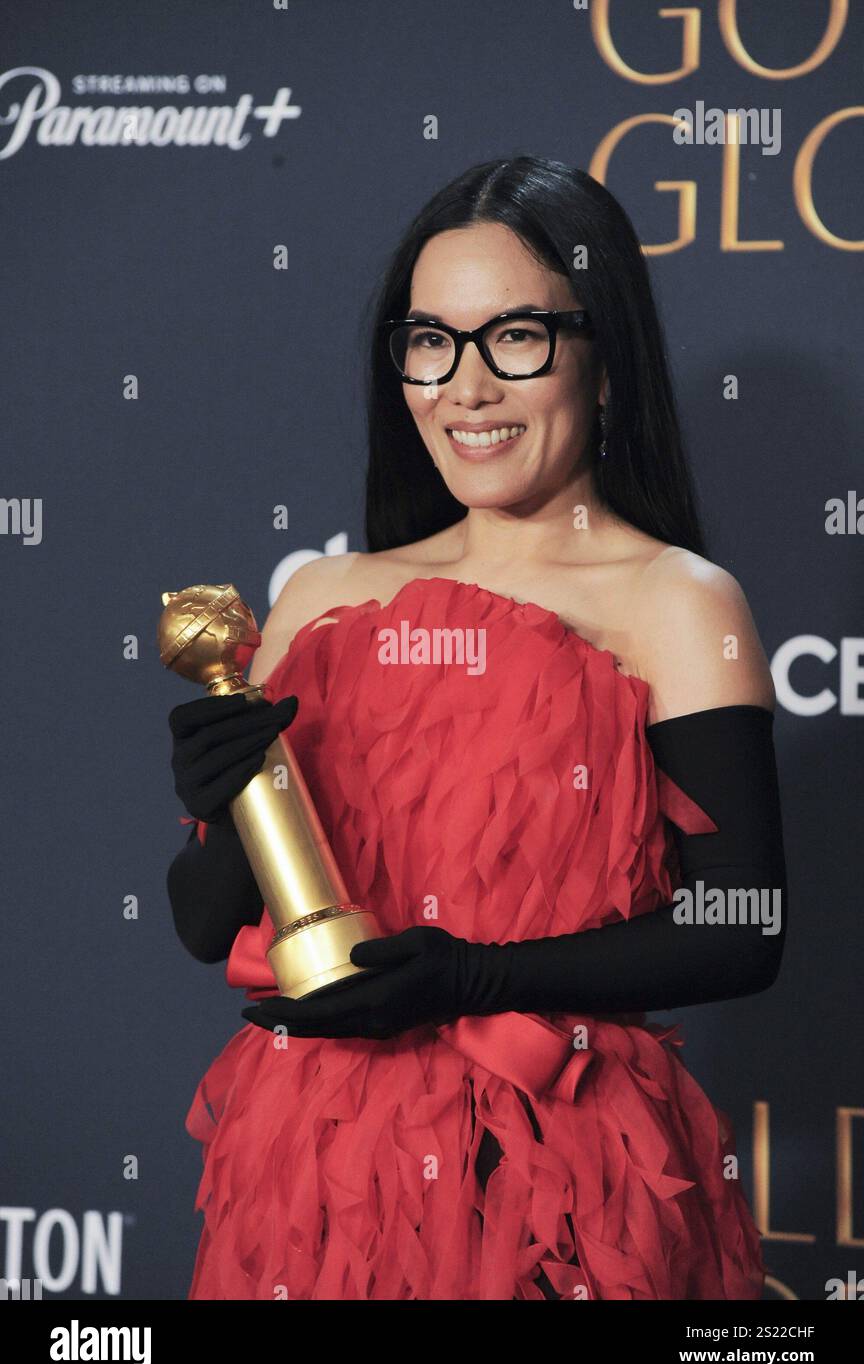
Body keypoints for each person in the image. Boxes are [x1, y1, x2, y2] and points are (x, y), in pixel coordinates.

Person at [167, 156, 786, 1301]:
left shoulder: (677, 600)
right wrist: (218, 805)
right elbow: (213, 926)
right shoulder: (321, 596)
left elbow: (742, 928)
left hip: (561, 1177)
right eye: (430, 342)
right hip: (310, 1172)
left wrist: (468, 976)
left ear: (603, 363)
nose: (466, 387)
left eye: (514, 338)